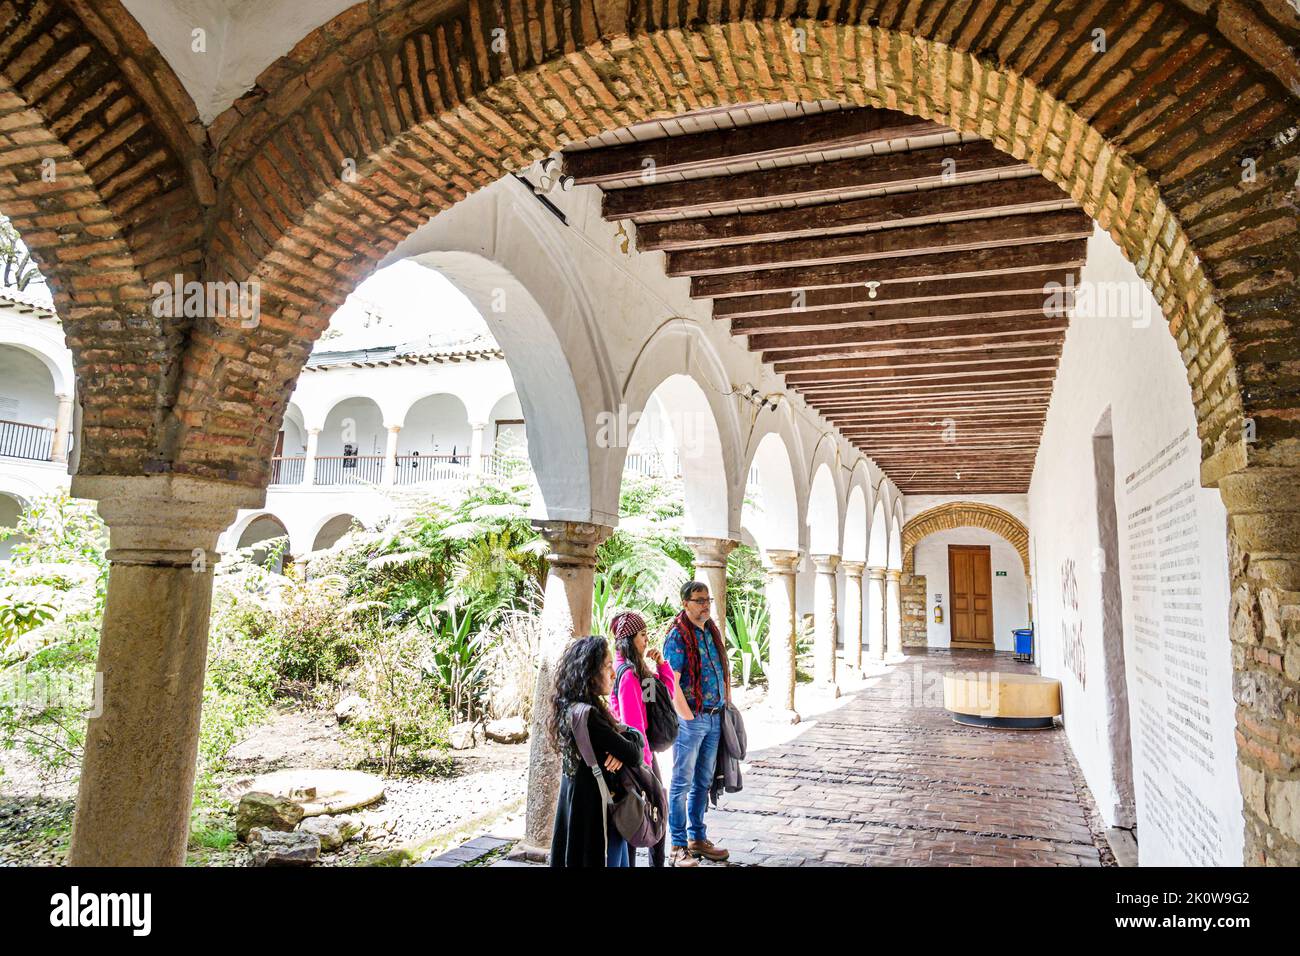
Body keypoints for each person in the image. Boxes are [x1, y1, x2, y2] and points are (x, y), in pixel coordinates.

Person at [548, 635, 646, 867]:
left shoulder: (570, 708)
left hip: (578, 809)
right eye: (608, 666)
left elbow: (629, 736)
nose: (614, 673)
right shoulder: (589, 716)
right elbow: (635, 753)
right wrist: (624, 746)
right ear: (589, 673)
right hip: (597, 815)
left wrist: (622, 744)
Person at [663, 580, 731, 866]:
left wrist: (727, 701)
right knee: (682, 783)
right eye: (699, 600)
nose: (705, 605)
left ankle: (697, 838)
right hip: (692, 721)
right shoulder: (678, 637)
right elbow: (670, 682)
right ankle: (677, 846)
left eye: (707, 600)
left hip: (714, 717)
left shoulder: (710, 631)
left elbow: (720, 668)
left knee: (703, 782)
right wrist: (687, 717)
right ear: (685, 603)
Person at [609, 609, 675, 867]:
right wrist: (644, 765)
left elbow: (663, 694)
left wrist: (661, 665)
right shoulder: (626, 675)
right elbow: (633, 724)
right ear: (628, 639)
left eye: (647, 634)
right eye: (642, 635)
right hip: (636, 757)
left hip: (644, 754)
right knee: (640, 817)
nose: (646, 639)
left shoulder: (638, 670)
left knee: (654, 813)